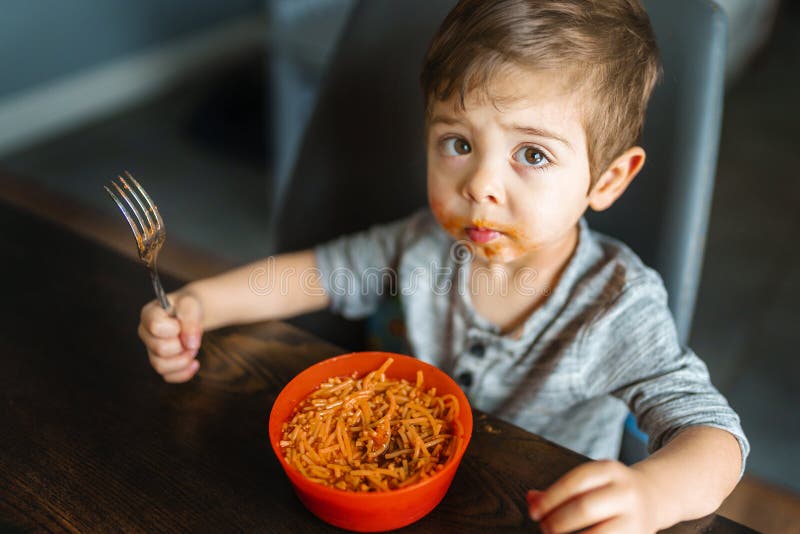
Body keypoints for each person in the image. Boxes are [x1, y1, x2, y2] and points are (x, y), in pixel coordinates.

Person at [138, 1, 748, 531]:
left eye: (531, 154)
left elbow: (713, 435)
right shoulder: (423, 244)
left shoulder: (615, 306)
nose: (480, 184)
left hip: (532, 510)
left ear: (608, 179)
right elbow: (313, 273)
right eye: (458, 142)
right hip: (394, 485)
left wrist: (653, 493)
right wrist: (201, 304)